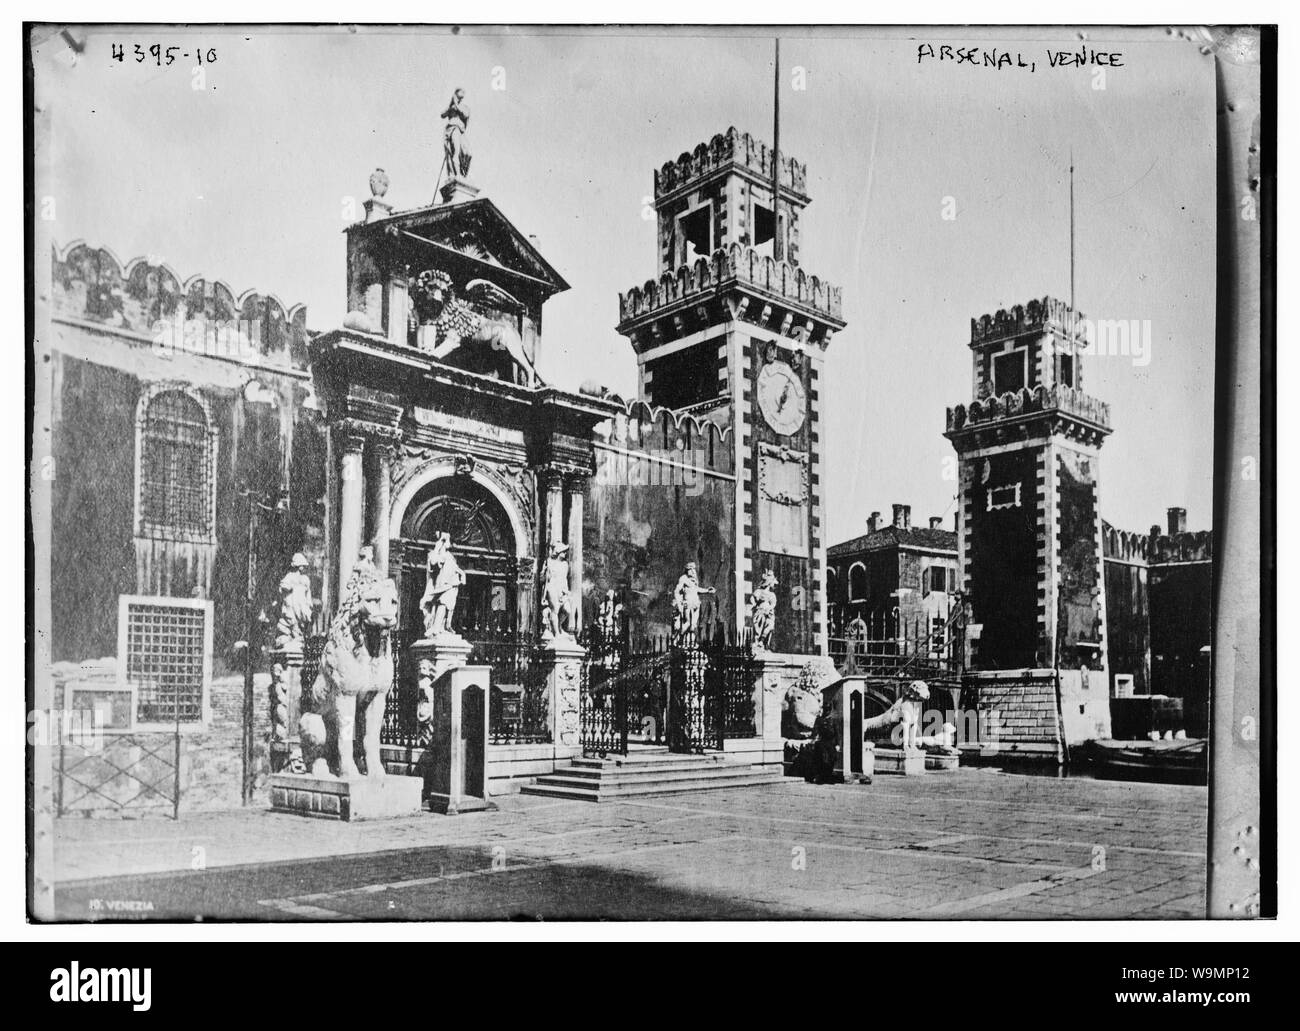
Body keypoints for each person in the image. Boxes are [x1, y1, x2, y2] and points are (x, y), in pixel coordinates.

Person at [420, 533, 465, 638]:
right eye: (447, 540)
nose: (450, 543)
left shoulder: (450, 556)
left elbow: (455, 568)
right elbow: (433, 562)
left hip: (452, 583)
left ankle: (443, 627)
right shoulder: (439, 554)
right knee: (443, 603)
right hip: (443, 584)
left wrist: (462, 574)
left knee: (449, 605)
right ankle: (436, 628)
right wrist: (437, 548)